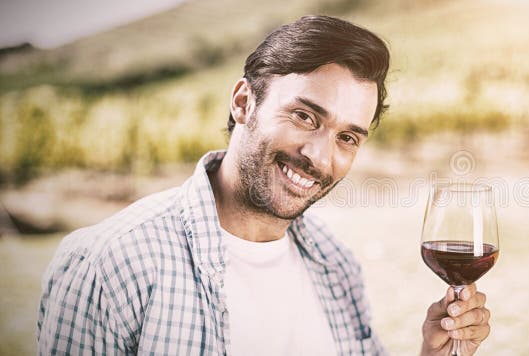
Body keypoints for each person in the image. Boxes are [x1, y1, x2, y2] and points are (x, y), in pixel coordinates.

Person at [36, 15, 491, 355]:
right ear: (243, 102)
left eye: (347, 137)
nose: (319, 156)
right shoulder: (111, 265)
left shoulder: (335, 266)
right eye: (304, 116)